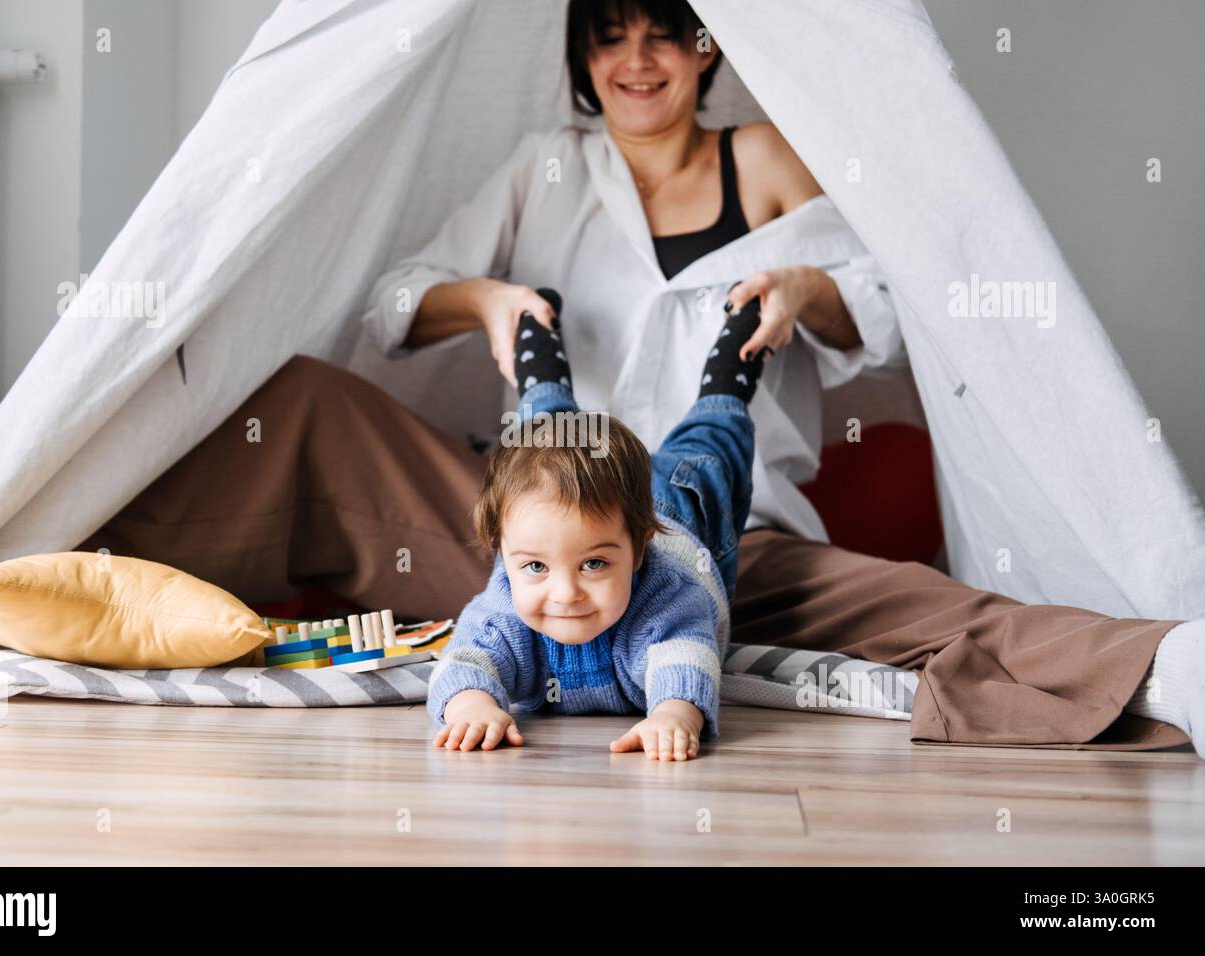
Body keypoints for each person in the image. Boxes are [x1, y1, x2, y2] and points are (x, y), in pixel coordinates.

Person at [83, 0, 1204, 756]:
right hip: (535, 533)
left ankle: (1163, 662)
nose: (635, 63)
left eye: (662, 37)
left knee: (928, 608)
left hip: (723, 541)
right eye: (608, 38)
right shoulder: (545, 171)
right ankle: (84, 579)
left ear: (704, 46)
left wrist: (799, 292)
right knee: (302, 405)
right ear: (580, 56)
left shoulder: (762, 158)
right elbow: (388, 303)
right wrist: (486, 301)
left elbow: (892, 307)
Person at [429, 287, 766, 758]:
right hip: (594, 506)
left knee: (710, 452)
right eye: (535, 567)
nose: (565, 594)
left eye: (593, 565)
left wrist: (672, 716)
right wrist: (471, 705)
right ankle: (538, 349)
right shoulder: (504, 608)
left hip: (675, 504)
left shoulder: (666, 597)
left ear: (640, 550)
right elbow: (466, 657)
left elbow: (686, 657)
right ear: (504, 554)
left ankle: (730, 374)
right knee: (539, 442)